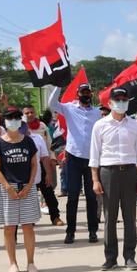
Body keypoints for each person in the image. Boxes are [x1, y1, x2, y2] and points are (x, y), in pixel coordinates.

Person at [90, 88, 137, 271]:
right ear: (110, 103)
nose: (121, 102)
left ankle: (130, 256)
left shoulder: (135, 125)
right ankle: (110, 257)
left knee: (130, 217)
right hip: (108, 173)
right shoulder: (100, 125)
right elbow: (94, 156)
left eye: (124, 99)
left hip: (130, 172)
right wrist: (95, 180)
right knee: (110, 217)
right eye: (118, 99)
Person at [49, 82, 101, 244]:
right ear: (77, 94)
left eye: (88, 92)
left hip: (92, 159)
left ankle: (92, 231)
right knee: (72, 197)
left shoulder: (98, 112)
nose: (85, 95)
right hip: (73, 158)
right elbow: (52, 104)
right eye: (82, 92)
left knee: (92, 197)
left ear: (91, 94)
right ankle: (70, 231)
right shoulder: (70, 108)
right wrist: (59, 84)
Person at [0, 107, 41, 272]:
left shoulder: (28, 141)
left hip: (26, 187)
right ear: (5, 121)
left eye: (16, 118)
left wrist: (29, 184)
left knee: (28, 226)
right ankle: (12, 263)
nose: (13, 120)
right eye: (10, 118)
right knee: (9, 227)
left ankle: (31, 262)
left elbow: (34, 164)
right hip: (7, 188)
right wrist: (7, 187)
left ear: (21, 121)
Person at [23, 104, 62, 226]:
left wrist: (52, 159)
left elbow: (49, 144)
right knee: (29, 195)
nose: (30, 115)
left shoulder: (42, 126)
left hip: (42, 162)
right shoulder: (19, 129)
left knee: (48, 192)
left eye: (31, 112)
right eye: (27, 113)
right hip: (26, 165)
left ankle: (55, 217)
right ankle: (30, 219)